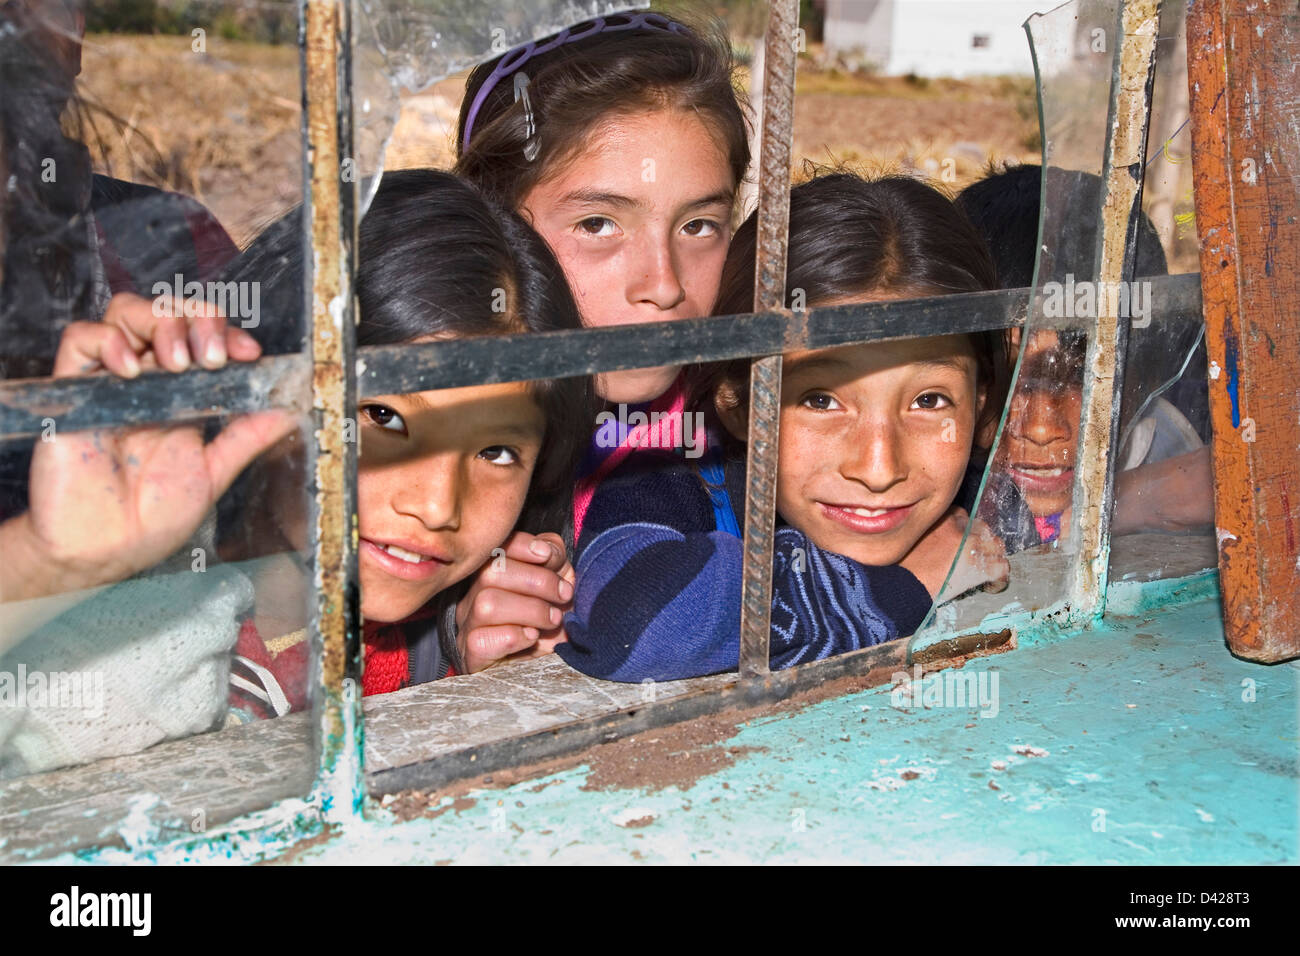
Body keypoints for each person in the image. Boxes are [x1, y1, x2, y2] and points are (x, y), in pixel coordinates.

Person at [556, 173, 1011, 682]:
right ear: (737, 400)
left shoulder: (991, 498)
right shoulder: (667, 479)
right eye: (820, 400)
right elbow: (638, 625)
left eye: (930, 400)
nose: (879, 468)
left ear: (982, 404)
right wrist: (915, 581)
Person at [219, 169, 593, 716]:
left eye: (497, 452)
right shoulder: (130, 626)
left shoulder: (454, 636)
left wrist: (486, 693)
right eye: (382, 416)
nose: (438, 505)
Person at [451, 10, 754, 665]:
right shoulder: (423, 444)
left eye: (699, 225)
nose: (663, 284)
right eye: (597, 223)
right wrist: (457, 639)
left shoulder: (753, 416)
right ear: (494, 227)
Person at [957, 164, 1212, 550]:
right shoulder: (939, 493)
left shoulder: (1206, 421)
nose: (1041, 428)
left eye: (1082, 374)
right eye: (1002, 377)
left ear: (1151, 367)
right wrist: (1120, 504)